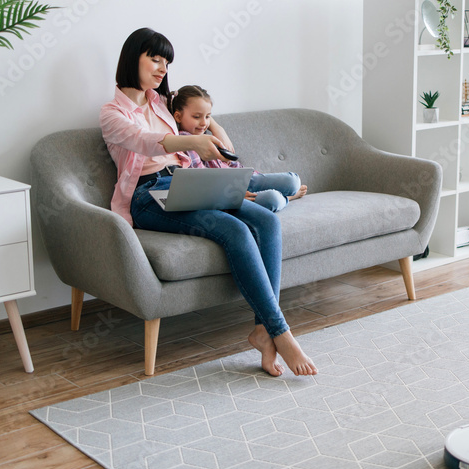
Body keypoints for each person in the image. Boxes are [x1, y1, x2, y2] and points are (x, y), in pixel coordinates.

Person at [99, 27, 317, 377]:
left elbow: (200, 118)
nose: (161, 69)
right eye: (154, 59)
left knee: (266, 220)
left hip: (187, 182)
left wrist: (205, 140)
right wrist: (190, 144)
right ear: (131, 59)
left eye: (166, 63)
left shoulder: (161, 103)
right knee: (235, 230)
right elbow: (145, 142)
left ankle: (263, 331)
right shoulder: (112, 113)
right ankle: (282, 333)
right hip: (148, 195)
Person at [170, 85, 308, 212]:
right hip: (224, 192)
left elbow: (231, 163)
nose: (204, 123)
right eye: (196, 117)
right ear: (178, 116)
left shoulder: (208, 136)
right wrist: (233, 196)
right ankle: (288, 198)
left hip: (242, 178)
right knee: (272, 199)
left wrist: (216, 128)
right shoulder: (184, 141)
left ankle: (286, 195)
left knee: (293, 180)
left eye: (208, 117)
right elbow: (202, 181)